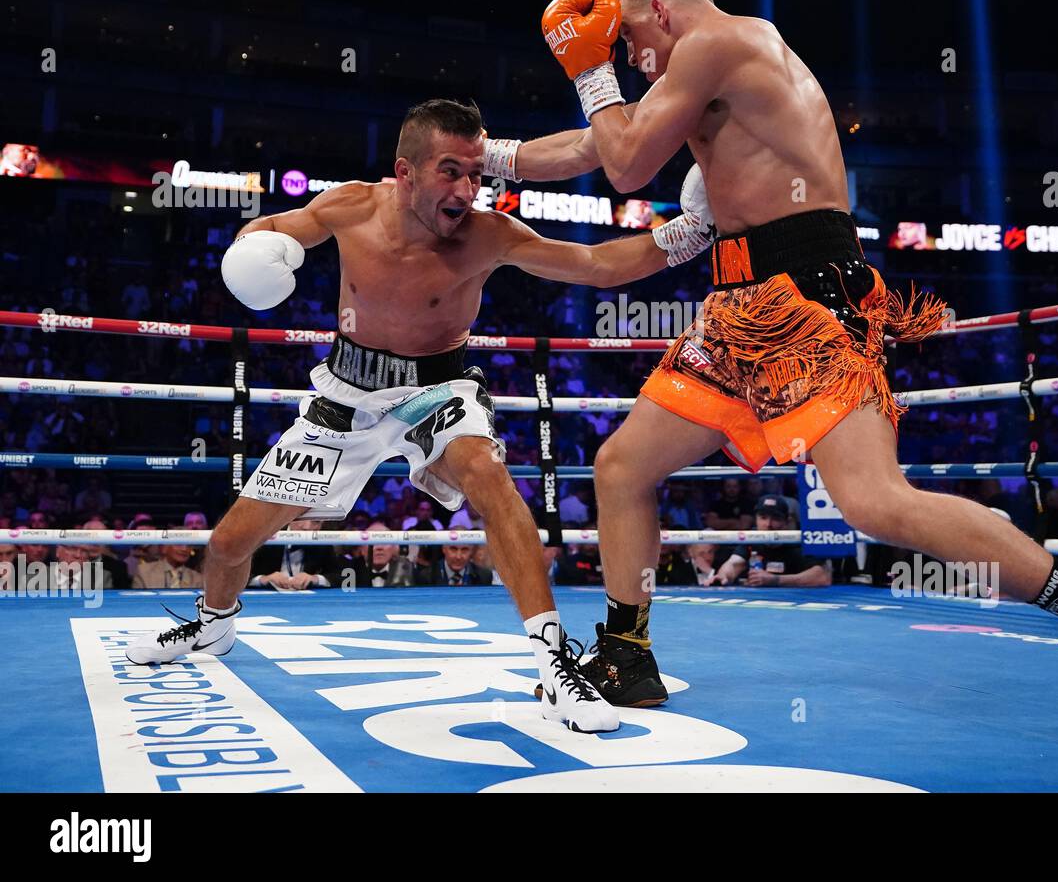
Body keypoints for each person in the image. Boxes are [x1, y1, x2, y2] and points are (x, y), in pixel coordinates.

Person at [520, 0, 1058, 765]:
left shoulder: (721, 41)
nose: (635, 59)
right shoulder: (703, 74)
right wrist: (483, 159)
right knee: (624, 464)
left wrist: (587, 66)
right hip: (739, 304)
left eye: (633, 38)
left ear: (664, 11)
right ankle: (628, 652)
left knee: (877, 503)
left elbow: (626, 159)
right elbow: (589, 149)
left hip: (806, 296)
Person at [126, 97, 716, 734]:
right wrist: (250, 247)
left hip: (438, 387)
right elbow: (276, 226)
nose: (467, 189)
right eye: (450, 172)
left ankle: (554, 664)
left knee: (489, 475)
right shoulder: (352, 206)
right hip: (345, 395)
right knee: (229, 543)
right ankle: (214, 627)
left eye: (475, 173)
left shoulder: (490, 234)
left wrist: (690, 232)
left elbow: (597, 266)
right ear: (404, 172)